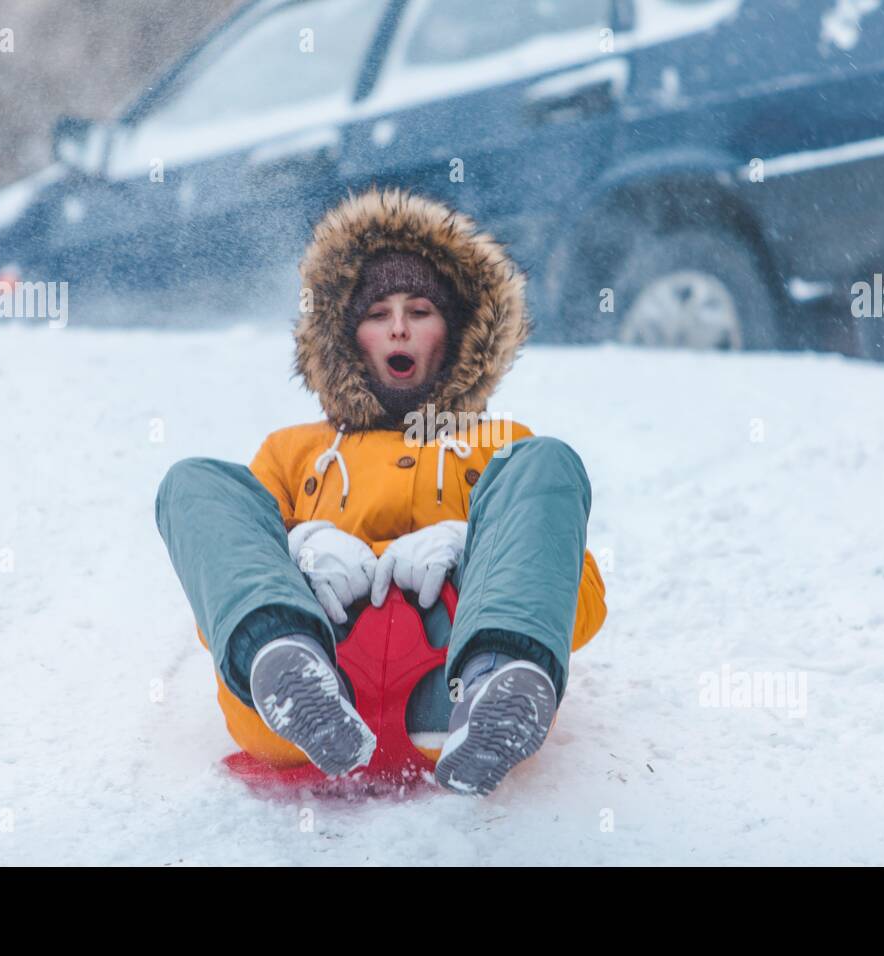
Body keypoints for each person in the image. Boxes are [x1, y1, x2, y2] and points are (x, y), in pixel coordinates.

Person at [155, 186, 606, 796]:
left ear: (456, 331)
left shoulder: (504, 448)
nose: (398, 328)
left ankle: (497, 683)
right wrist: (298, 549)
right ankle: (289, 670)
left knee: (548, 458)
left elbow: (580, 597)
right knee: (193, 482)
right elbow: (222, 585)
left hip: (450, 693)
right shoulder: (291, 451)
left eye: (419, 311)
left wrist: (473, 548)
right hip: (320, 674)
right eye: (376, 314)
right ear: (345, 335)